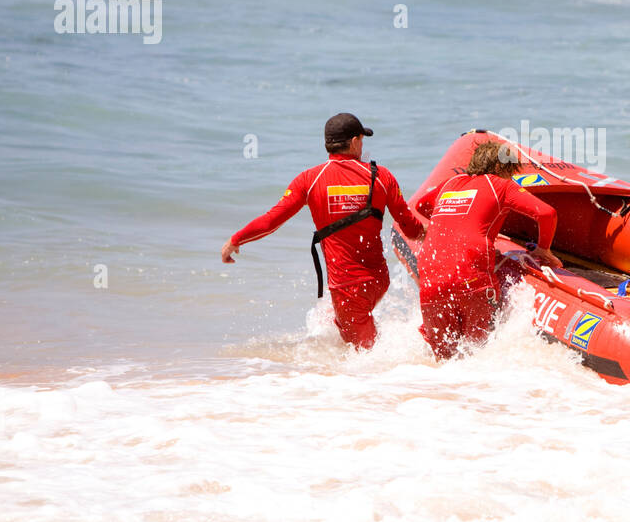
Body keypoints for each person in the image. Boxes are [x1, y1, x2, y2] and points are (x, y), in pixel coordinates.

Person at [221, 113, 425, 349]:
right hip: (379, 281)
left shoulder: (310, 179)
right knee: (340, 325)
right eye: (362, 139)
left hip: (347, 287)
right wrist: (426, 231)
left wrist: (235, 240)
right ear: (355, 142)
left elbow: (270, 222)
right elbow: (410, 228)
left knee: (364, 358)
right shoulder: (381, 176)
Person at [413, 140, 560, 359]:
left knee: (443, 361)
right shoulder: (500, 185)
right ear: (502, 168)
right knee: (477, 356)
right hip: (471, 278)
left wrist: (448, 221)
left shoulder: (450, 184)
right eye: (510, 172)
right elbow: (547, 213)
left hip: (430, 281)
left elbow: (421, 206)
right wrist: (544, 250)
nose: (511, 177)